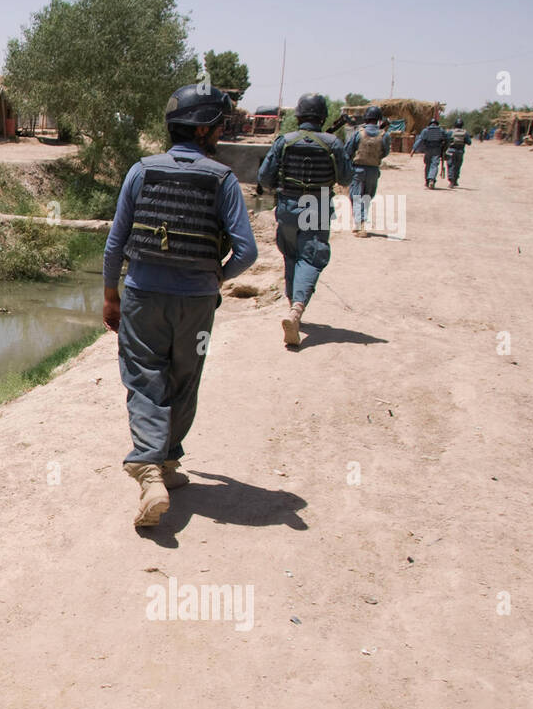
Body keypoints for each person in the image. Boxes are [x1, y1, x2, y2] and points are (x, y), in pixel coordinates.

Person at [102, 85, 257, 528]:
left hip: (143, 297)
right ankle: (166, 463)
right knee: (186, 377)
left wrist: (111, 295)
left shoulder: (141, 171)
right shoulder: (223, 180)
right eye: (219, 126)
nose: (222, 132)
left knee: (144, 377)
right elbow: (247, 252)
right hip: (198, 304)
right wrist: (215, 278)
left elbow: (115, 243)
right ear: (203, 129)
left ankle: (150, 470)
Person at [257, 93, 353, 347]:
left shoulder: (284, 141)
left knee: (291, 256)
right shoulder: (333, 143)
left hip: (287, 208)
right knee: (311, 257)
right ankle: (297, 310)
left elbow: (264, 178)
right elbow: (346, 178)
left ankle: (293, 307)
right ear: (323, 117)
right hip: (317, 208)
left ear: (298, 116)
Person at [345, 105, 391, 235]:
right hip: (373, 170)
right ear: (378, 119)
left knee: (356, 196)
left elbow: (348, 150)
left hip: (358, 169)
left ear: (366, 118)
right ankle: (362, 222)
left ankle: (359, 223)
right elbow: (385, 152)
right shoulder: (384, 135)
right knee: (367, 197)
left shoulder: (358, 133)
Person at [412, 117, 447, 188]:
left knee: (428, 164)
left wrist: (413, 149)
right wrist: (445, 149)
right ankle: (431, 179)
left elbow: (420, 140)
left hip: (428, 149)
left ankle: (427, 180)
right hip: (437, 149)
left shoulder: (426, 130)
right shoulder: (441, 131)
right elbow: (446, 139)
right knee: (434, 165)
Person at [445, 117, 472, 187]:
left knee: (451, 165)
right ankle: (455, 180)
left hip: (451, 151)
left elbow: (446, 140)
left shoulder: (451, 132)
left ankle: (451, 181)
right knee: (457, 166)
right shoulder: (465, 133)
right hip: (460, 151)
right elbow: (469, 142)